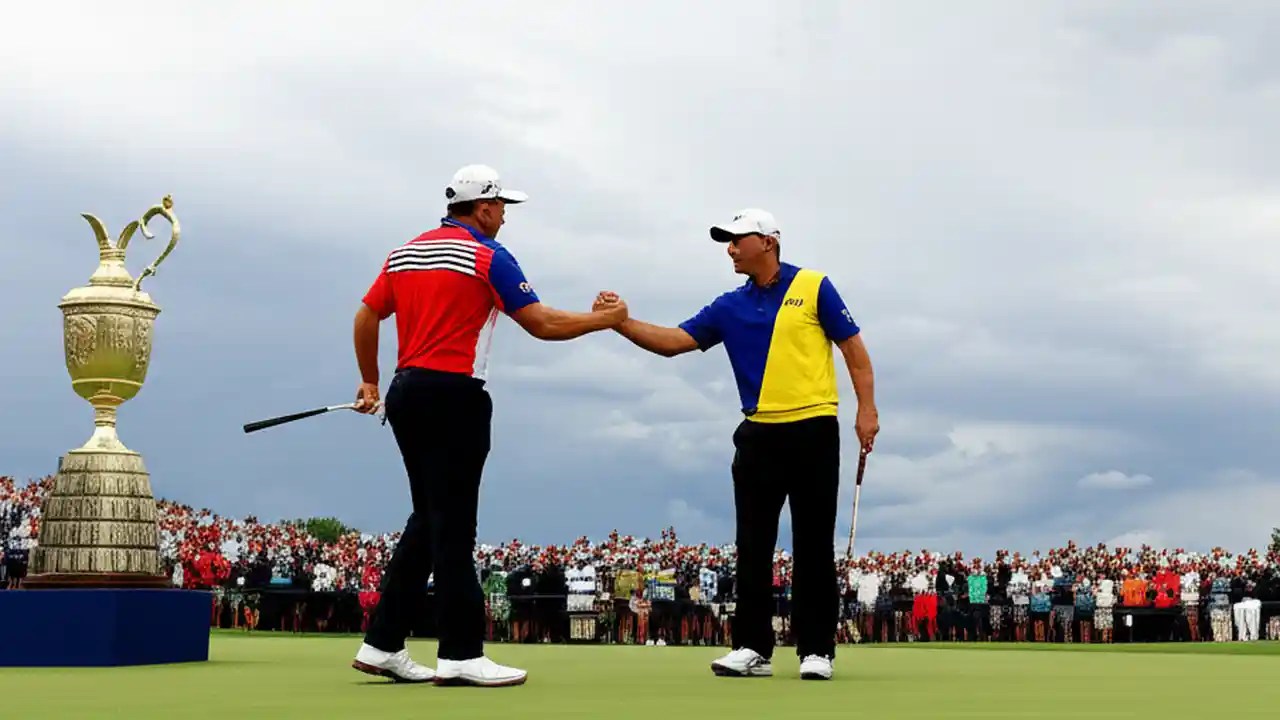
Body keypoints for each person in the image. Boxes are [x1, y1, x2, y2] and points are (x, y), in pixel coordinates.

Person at [350, 164, 628, 687]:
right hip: (455, 395)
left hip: (405, 392)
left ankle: (383, 643)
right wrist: (604, 322)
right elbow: (541, 323)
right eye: (502, 207)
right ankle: (460, 654)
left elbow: (366, 317)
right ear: (482, 209)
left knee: (428, 519)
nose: (504, 216)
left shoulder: (405, 251)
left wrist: (369, 382)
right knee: (454, 525)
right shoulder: (487, 255)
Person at [596, 208, 878, 680]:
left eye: (737, 240)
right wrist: (619, 323)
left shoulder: (813, 286)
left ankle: (816, 650)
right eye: (727, 241)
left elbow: (855, 351)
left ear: (768, 241)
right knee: (752, 545)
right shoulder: (729, 305)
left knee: (812, 545)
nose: (730, 249)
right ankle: (751, 647)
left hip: (812, 428)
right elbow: (673, 341)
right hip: (758, 433)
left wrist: (866, 410)